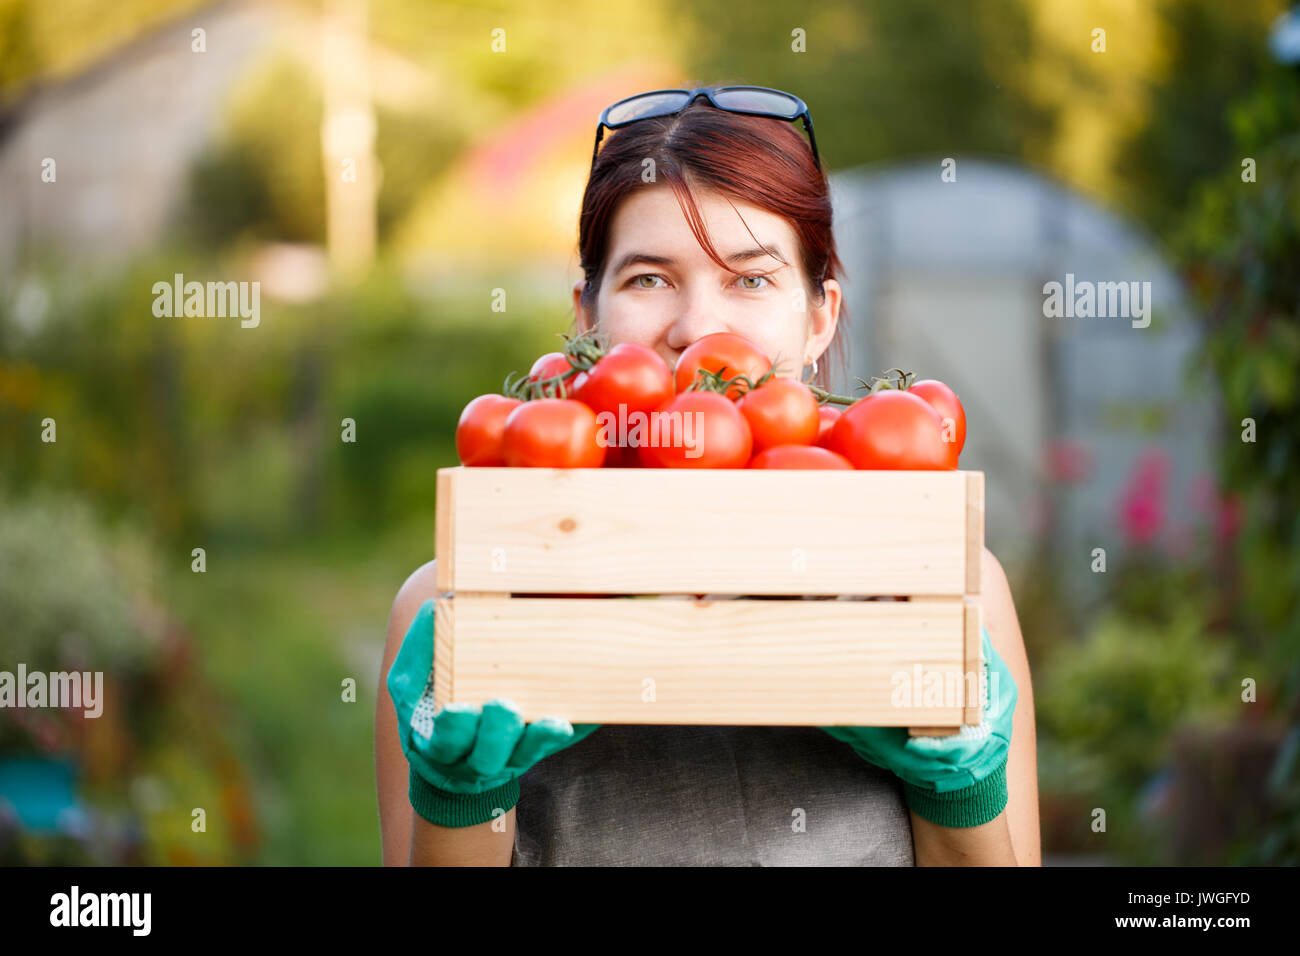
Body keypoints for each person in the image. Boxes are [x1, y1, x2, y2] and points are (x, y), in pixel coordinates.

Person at [375, 85, 1040, 866]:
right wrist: (461, 798)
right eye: (649, 279)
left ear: (820, 317)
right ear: (588, 316)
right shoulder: (450, 610)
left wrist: (957, 788)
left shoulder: (943, 591)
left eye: (751, 279)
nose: (697, 331)